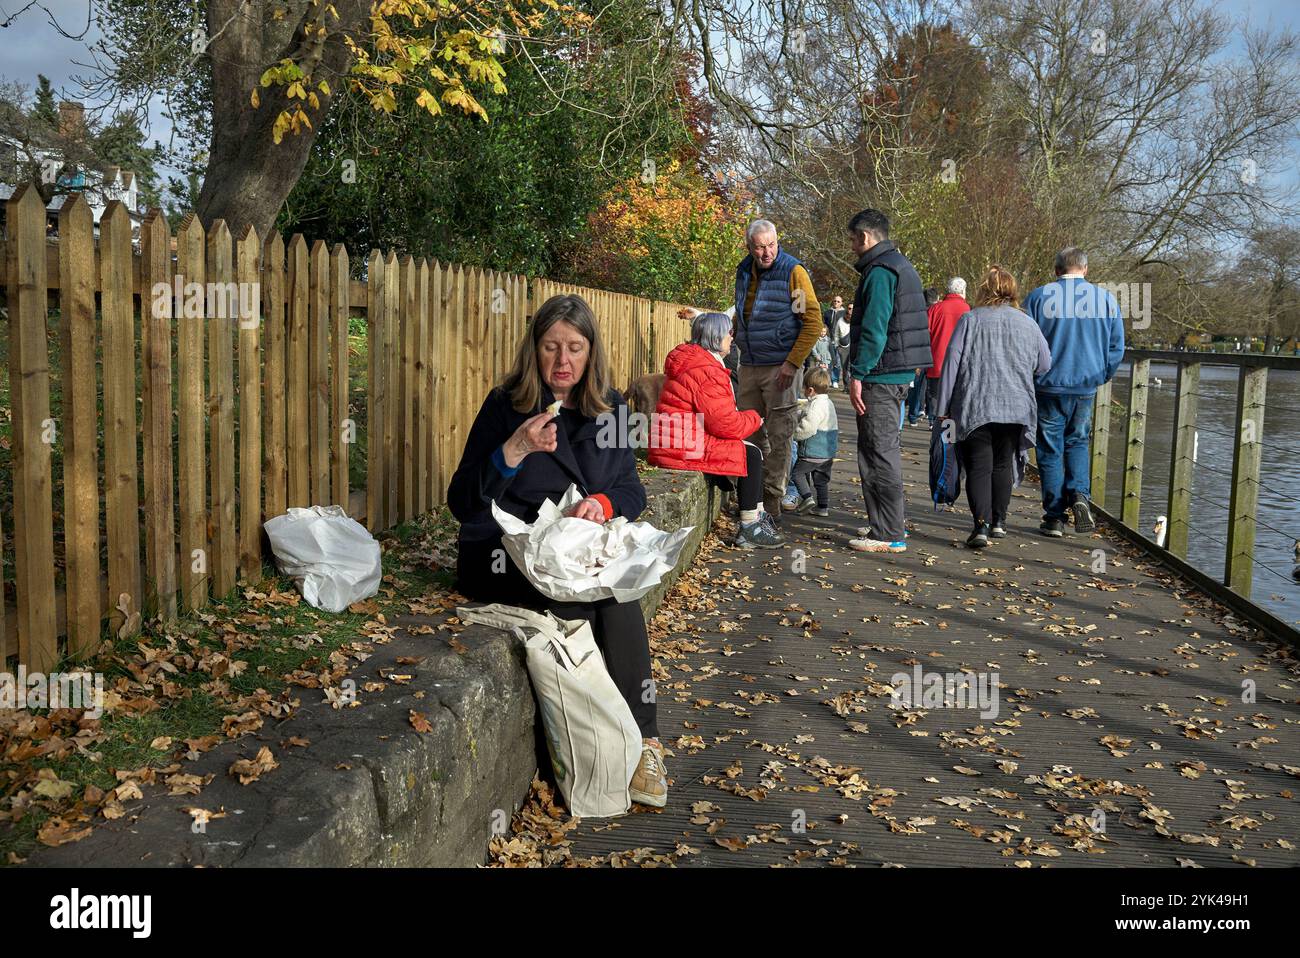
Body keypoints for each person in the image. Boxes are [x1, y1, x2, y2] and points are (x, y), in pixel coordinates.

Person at [447, 293, 667, 808]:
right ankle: (609, 747)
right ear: (534, 349)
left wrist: (603, 501)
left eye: (574, 347)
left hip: (579, 554)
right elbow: (463, 503)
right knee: (578, 604)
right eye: (550, 347)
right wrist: (514, 450)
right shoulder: (507, 406)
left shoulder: (611, 407)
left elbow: (634, 490)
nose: (562, 361)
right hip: (505, 553)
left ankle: (645, 742)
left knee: (618, 595)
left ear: (591, 352)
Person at [935, 267, 1052, 548]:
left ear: (984, 290)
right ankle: (999, 521)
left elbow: (952, 363)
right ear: (1012, 290)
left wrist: (942, 407)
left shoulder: (970, 320)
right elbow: (1045, 363)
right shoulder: (1028, 323)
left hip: (976, 403)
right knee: (1002, 464)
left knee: (978, 466)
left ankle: (981, 527)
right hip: (1016, 405)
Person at [649, 312, 784, 550]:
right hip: (682, 445)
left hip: (676, 440)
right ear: (715, 337)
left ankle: (756, 518)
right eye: (728, 333)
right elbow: (724, 424)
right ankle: (750, 526)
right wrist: (755, 418)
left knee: (749, 450)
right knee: (750, 454)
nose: (732, 338)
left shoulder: (697, 361)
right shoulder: (706, 370)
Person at [844, 209, 932, 553]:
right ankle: (883, 526)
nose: (851, 246)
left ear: (865, 237)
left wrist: (858, 374)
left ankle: (889, 533)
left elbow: (874, 328)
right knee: (880, 449)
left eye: (852, 239)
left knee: (879, 452)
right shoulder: (900, 265)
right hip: (896, 371)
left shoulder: (880, 271)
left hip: (880, 374)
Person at [1021, 247, 1125, 537]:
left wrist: (1030, 375)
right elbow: (1116, 346)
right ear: (1085, 269)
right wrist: (1103, 373)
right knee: (1078, 442)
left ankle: (1054, 516)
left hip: (1048, 384)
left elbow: (1025, 341)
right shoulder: (1105, 299)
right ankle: (1079, 495)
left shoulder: (1039, 297)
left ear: (1056, 270)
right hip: (1085, 383)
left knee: (1050, 448)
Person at [734, 219, 822, 521]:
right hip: (749, 364)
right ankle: (751, 502)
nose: (766, 252)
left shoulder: (793, 272)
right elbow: (743, 312)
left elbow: (812, 321)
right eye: (760, 246)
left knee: (780, 435)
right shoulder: (744, 270)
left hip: (781, 366)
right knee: (748, 432)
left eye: (771, 244)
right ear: (750, 247)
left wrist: (792, 363)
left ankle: (771, 505)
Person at [791, 367, 839, 516]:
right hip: (827, 452)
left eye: (804, 389)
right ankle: (823, 507)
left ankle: (807, 498)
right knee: (821, 480)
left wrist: (794, 435)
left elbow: (808, 428)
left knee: (797, 474)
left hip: (813, 450)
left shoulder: (815, 406)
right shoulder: (827, 403)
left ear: (810, 390)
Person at [926, 276, 970, 420]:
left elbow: (925, 334)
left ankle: (939, 433)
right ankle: (951, 438)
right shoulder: (968, 310)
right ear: (963, 290)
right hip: (960, 366)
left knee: (937, 405)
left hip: (937, 363)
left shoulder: (935, 308)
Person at [904, 288, 940, 426]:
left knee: (915, 386)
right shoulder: (937, 311)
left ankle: (913, 415)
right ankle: (931, 418)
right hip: (933, 354)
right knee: (932, 389)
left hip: (918, 354)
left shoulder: (917, 312)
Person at [825, 295, 847, 387]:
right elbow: (824, 325)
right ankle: (827, 379)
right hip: (829, 339)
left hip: (839, 341)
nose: (836, 303)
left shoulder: (845, 313)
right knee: (827, 361)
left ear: (841, 303)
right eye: (834, 301)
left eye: (838, 301)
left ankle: (835, 380)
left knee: (837, 361)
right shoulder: (827, 313)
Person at [834, 303, 852, 390]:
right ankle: (847, 386)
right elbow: (836, 334)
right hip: (843, 347)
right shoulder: (841, 320)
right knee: (845, 367)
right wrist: (837, 346)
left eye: (852, 308)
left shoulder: (858, 319)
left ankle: (853, 386)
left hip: (854, 345)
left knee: (852, 366)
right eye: (849, 308)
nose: (851, 310)